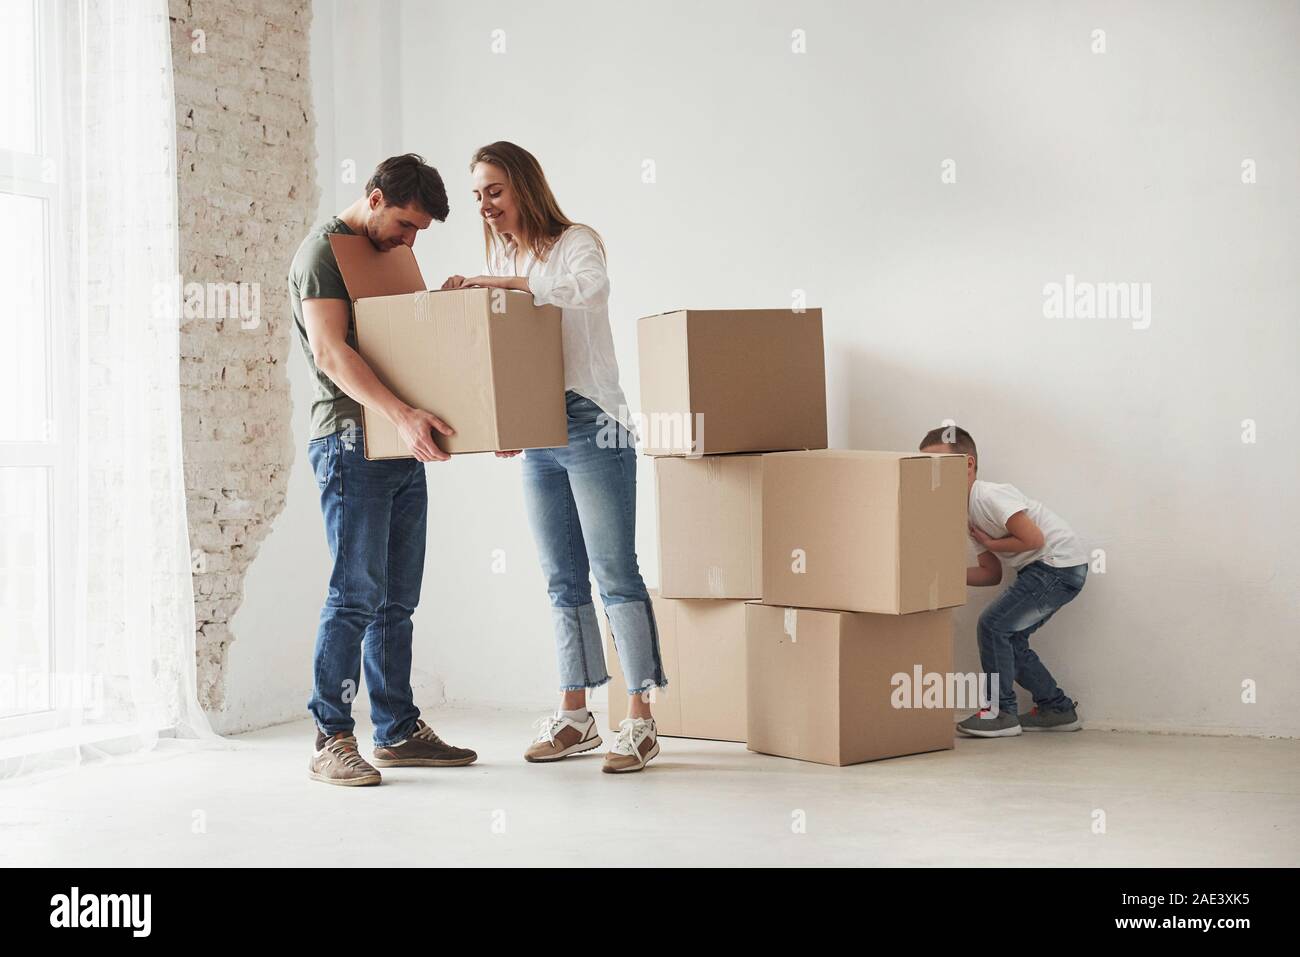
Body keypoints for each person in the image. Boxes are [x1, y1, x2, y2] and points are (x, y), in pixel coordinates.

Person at [443, 141, 667, 773]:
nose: (485, 205)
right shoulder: (505, 254)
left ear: (522, 186)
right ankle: (575, 716)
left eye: (494, 191)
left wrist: (499, 279)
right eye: (478, 195)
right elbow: (511, 352)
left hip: (595, 423)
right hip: (541, 428)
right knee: (560, 577)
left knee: (614, 571)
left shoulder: (576, 242)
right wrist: (508, 416)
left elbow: (586, 292)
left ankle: (641, 720)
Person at [289, 153, 477, 786]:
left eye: (419, 231)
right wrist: (399, 415)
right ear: (373, 198)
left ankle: (396, 729)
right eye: (405, 223)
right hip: (350, 441)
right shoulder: (323, 255)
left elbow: (409, 345)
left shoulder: (386, 254)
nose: (410, 239)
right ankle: (330, 738)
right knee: (355, 596)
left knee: (398, 598)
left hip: (398, 438)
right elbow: (331, 352)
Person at [919, 425, 1089, 738]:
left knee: (992, 625)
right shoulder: (967, 512)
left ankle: (1001, 712)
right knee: (1009, 638)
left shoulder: (988, 495)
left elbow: (1034, 539)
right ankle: (1057, 708)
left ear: (967, 464)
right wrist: (943, 576)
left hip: (1057, 564)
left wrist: (994, 544)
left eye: (938, 463)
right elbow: (990, 573)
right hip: (1046, 569)